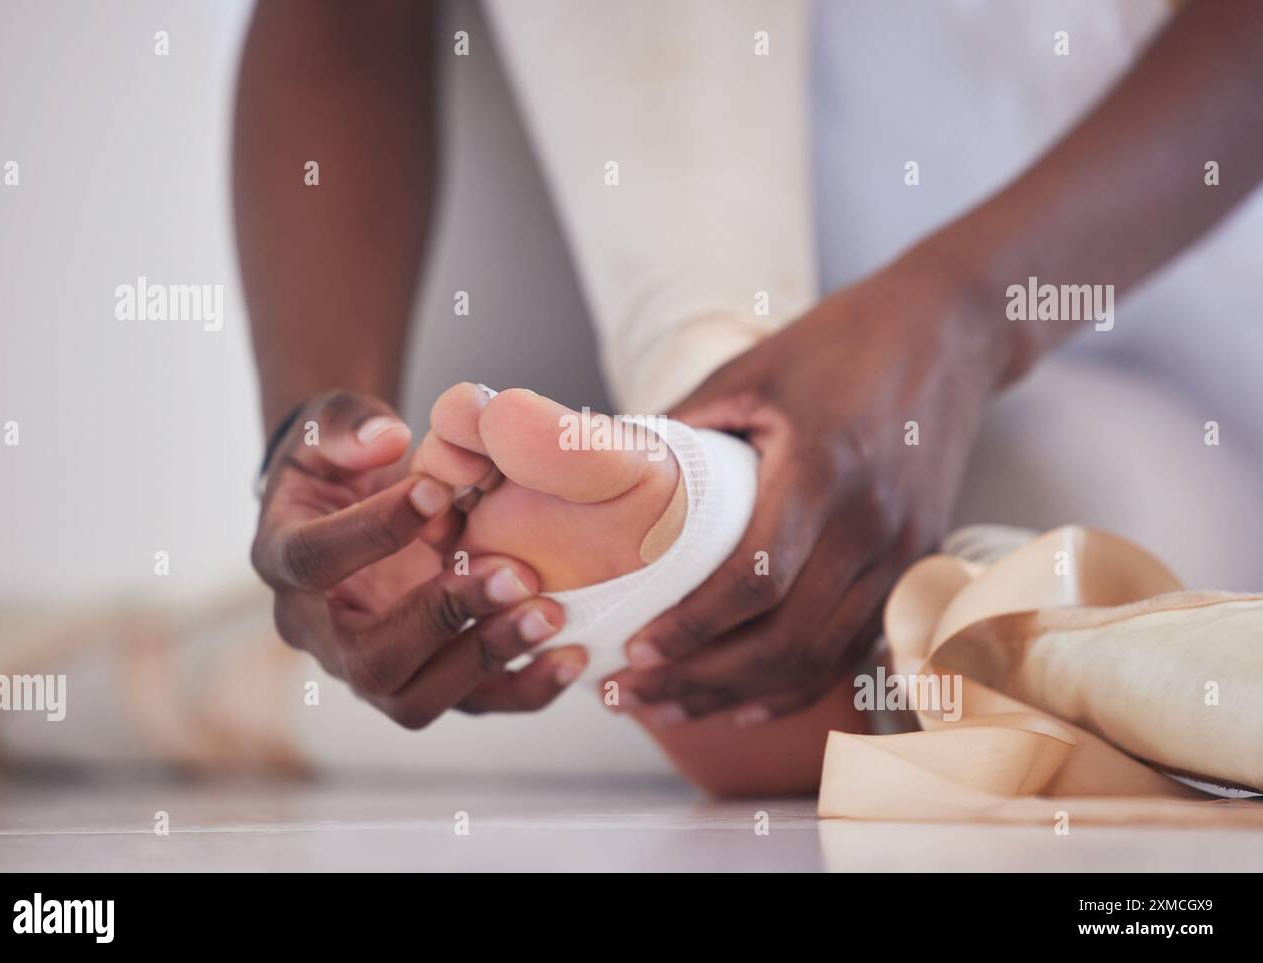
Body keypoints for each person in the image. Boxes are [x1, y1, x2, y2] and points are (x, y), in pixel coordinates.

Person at [230, 0, 1263, 795]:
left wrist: (964, 310)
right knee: (1036, 589)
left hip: (1168, 233)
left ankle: (710, 491)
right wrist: (326, 445)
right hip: (788, 274)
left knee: (1099, 531)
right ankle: (708, 441)